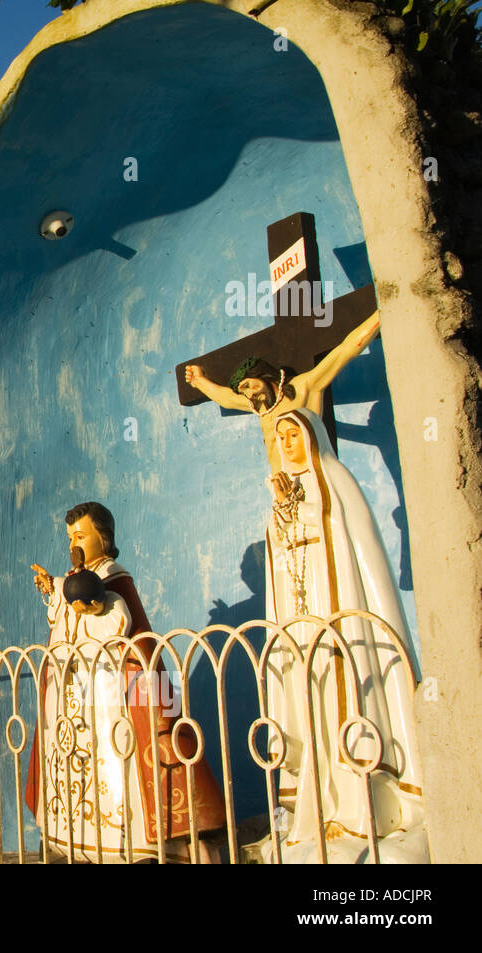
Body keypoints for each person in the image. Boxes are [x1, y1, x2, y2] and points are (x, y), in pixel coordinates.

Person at [257, 409, 427, 862]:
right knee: (312, 705)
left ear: (312, 435)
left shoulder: (335, 479)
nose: (287, 444)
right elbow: (280, 556)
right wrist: (284, 512)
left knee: (350, 699)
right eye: (282, 437)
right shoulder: (280, 494)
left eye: (295, 434)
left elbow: (351, 545)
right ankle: (322, 806)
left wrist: (303, 507)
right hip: (302, 621)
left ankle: (364, 807)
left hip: (342, 619)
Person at [27, 502, 227, 862]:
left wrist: (95, 607)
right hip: (73, 696)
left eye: (81, 535)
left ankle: (133, 843)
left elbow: (123, 627)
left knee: (118, 760)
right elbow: (67, 603)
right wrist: (53, 588)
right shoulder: (81, 575)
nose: (74, 542)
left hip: (110, 695)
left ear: (104, 538)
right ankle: (69, 837)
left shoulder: (115, 579)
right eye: (70, 536)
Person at [182, 311, 381, 473]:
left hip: (310, 477)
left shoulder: (304, 387)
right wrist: (199, 381)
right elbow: (226, 399)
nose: (250, 393)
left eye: (250, 385)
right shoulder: (260, 406)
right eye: (244, 390)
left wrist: (379, 317)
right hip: (281, 492)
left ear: (264, 375)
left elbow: (344, 352)